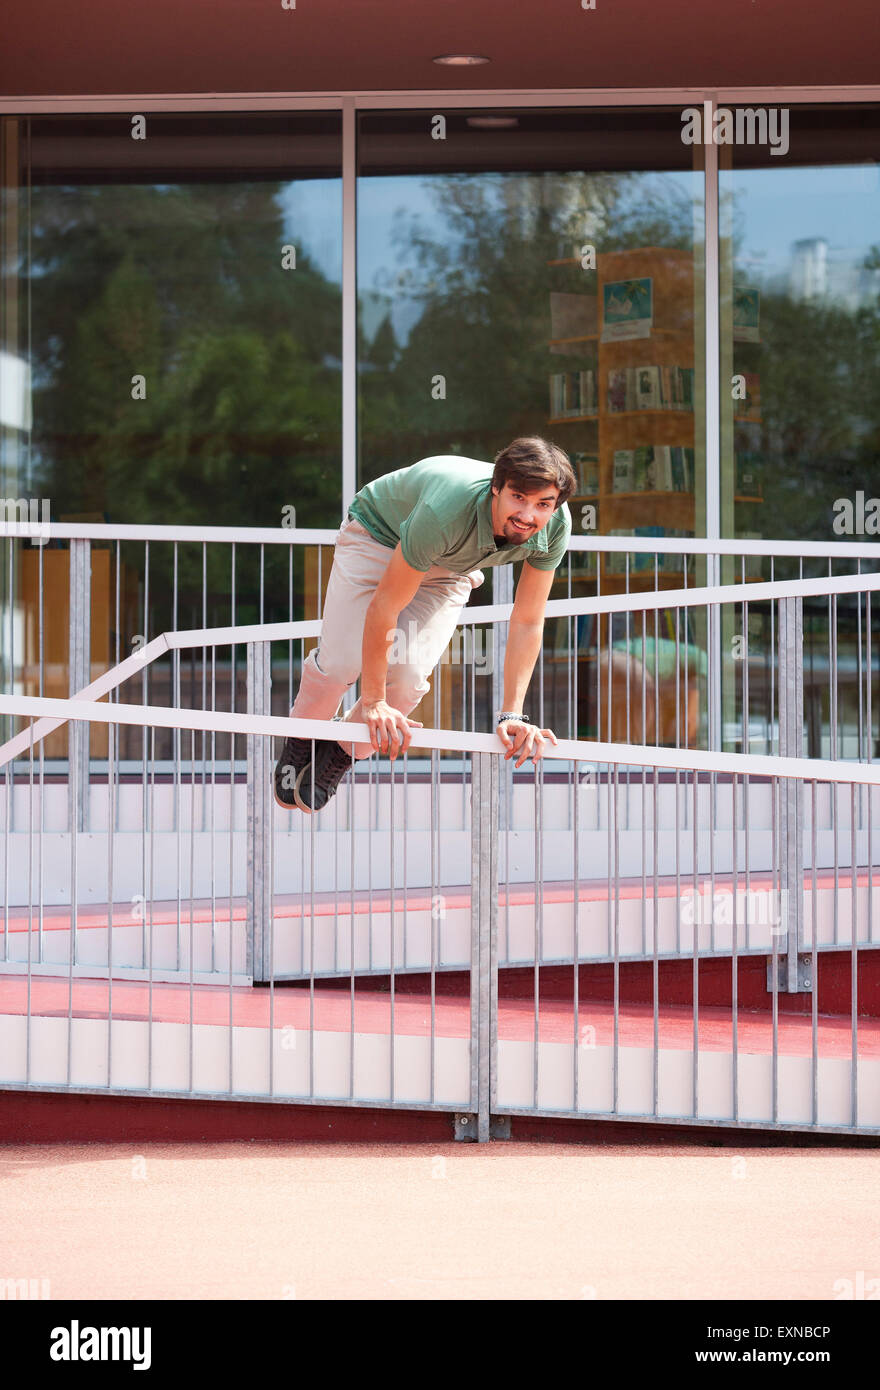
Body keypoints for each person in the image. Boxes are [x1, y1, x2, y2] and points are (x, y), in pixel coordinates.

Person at [275, 435, 575, 813]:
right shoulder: (446, 509)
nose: (528, 516)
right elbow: (385, 605)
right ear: (496, 488)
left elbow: (528, 619)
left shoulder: (555, 526)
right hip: (379, 538)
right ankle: (302, 735)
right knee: (342, 664)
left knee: (408, 683)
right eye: (519, 498)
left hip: (450, 567)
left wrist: (512, 714)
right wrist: (372, 701)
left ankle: (338, 753)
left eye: (543, 504)